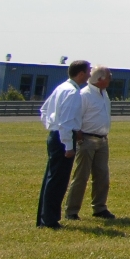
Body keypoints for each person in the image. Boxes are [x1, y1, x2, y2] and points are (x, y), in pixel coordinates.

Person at [36, 60, 89, 228]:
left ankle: (44, 217)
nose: (89, 75)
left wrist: (51, 126)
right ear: (80, 73)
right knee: (58, 180)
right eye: (88, 72)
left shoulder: (61, 88)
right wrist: (68, 146)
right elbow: (66, 122)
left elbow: (44, 110)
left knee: (51, 178)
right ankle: (50, 220)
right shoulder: (73, 92)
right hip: (63, 137)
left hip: (55, 135)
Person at [65, 66, 116, 220]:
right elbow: (76, 118)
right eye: (108, 76)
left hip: (102, 140)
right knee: (81, 176)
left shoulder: (104, 93)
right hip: (87, 139)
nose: (111, 78)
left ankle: (99, 207)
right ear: (100, 79)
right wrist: (80, 137)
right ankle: (71, 211)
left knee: (102, 176)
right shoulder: (84, 95)